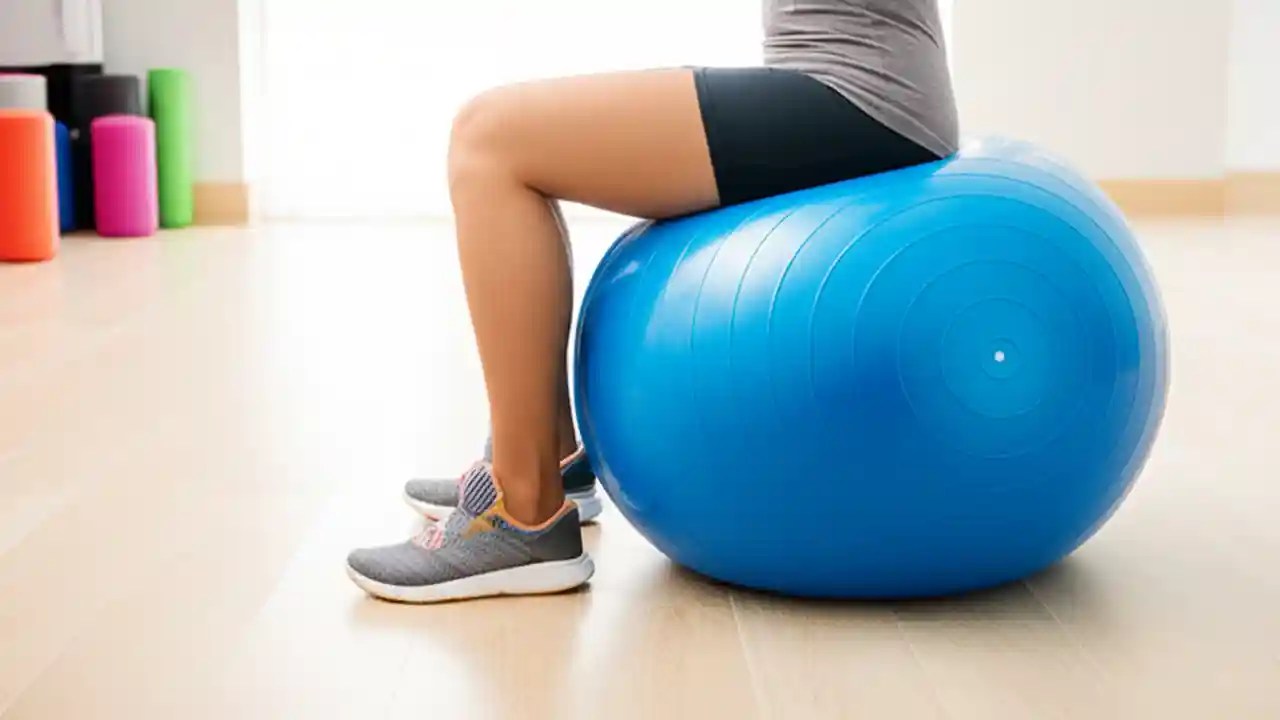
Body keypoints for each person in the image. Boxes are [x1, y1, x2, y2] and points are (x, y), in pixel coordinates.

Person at [346, 0, 958, 603]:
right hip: (865, 91)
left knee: (489, 140)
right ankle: (546, 457)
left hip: (860, 99)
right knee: (496, 130)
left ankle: (521, 507)